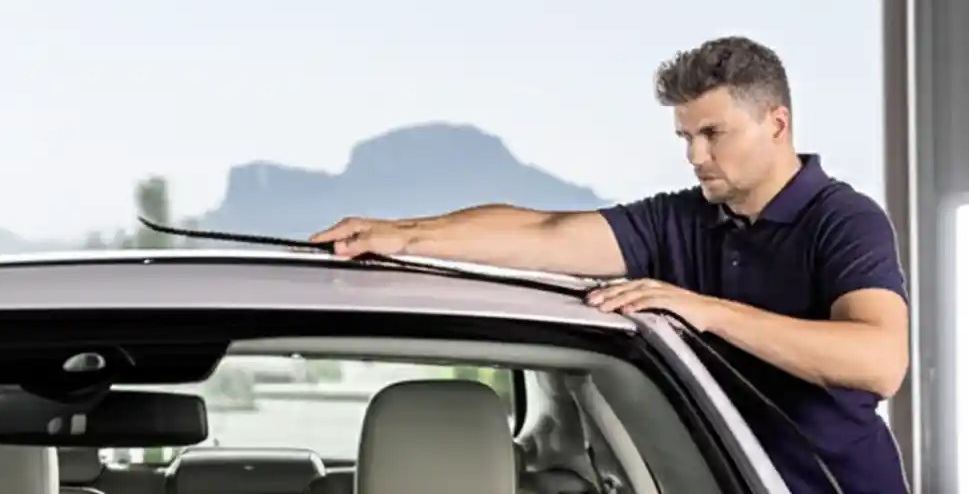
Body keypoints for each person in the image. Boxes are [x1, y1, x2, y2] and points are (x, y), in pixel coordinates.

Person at [310, 36, 909, 494]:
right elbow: (545, 232)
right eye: (684, 137)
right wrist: (404, 235)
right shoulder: (680, 219)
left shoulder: (843, 219)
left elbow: (879, 362)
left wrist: (706, 311)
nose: (695, 156)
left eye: (712, 133)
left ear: (776, 123)